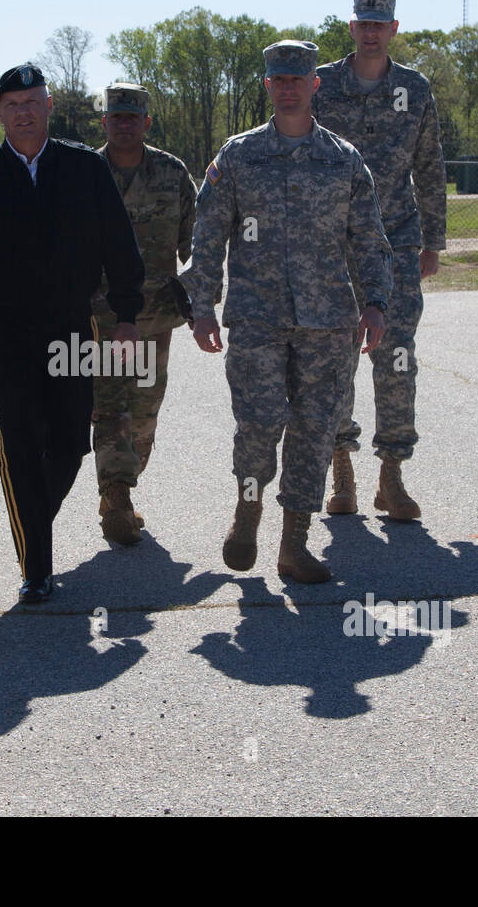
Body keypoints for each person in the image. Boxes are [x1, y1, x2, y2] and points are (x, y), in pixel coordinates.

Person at [180, 40, 392, 584]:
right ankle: (247, 511)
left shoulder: (343, 160)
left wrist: (375, 302)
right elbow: (207, 236)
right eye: (280, 80)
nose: (290, 87)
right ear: (269, 86)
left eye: (299, 79)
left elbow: (367, 238)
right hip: (256, 316)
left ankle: (294, 544)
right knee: (260, 422)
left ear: (314, 85)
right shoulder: (239, 156)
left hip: (330, 321)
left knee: (316, 428)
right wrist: (201, 306)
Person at [0, 63, 144, 604]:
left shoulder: (83, 170)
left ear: (49, 106)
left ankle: (33, 526)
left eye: (33, 101)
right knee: (22, 440)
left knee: (72, 440)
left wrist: (125, 316)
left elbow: (120, 243)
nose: (23, 112)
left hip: (72, 324)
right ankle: (37, 568)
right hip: (6, 326)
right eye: (12, 104)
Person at [312, 0, 447, 521]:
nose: (370, 32)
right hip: (334, 243)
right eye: (363, 24)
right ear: (352, 27)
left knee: (395, 357)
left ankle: (392, 474)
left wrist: (432, 241)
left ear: (393, 28)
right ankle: (341, 468)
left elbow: (430, 166)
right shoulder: (322, 85)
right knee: (337, 358)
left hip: (396, 241)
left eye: (379, 24)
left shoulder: (413, 89)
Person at [91, 82, 197, 545]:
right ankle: (116, 496)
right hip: (100, 318)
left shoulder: (173, 174)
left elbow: (196, 248)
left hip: (156, 318)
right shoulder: (84, 173)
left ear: (147, 122)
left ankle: (123, 490)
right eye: (117, 117)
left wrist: (201, 303)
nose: (125, 123)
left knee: (146, 413)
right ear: (105, 122)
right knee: (110, 407)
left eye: (133, 117)